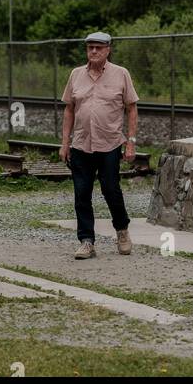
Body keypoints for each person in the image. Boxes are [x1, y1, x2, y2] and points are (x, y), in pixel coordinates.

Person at [59, 32, 138, 259]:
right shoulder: (76, 75)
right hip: (81, 144)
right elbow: (69, 109)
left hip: (110, 143)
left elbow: (131, 108)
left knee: (111, 189)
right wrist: (65, 143)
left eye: (98, 48)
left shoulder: (121, 74)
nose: (93, 51)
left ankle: (122, 230)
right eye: (90, 47)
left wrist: (131, 142)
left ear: (108, 50)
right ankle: (86, 241)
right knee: (81, 193)